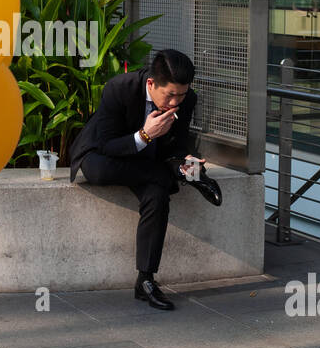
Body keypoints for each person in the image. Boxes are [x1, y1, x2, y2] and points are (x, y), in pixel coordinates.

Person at [68, 49, 221, 311]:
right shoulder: (120, 88)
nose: (175, 103)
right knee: (126, 172)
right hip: (102, 155)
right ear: (151, 83)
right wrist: (144, 136)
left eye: (181, 95)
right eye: (170, 95)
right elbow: (106, 144)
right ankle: (189, 179)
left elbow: (179, 143)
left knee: (158, 194)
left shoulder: (187, 99)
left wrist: (186, 161)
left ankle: (146, 280)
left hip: (146, 162)